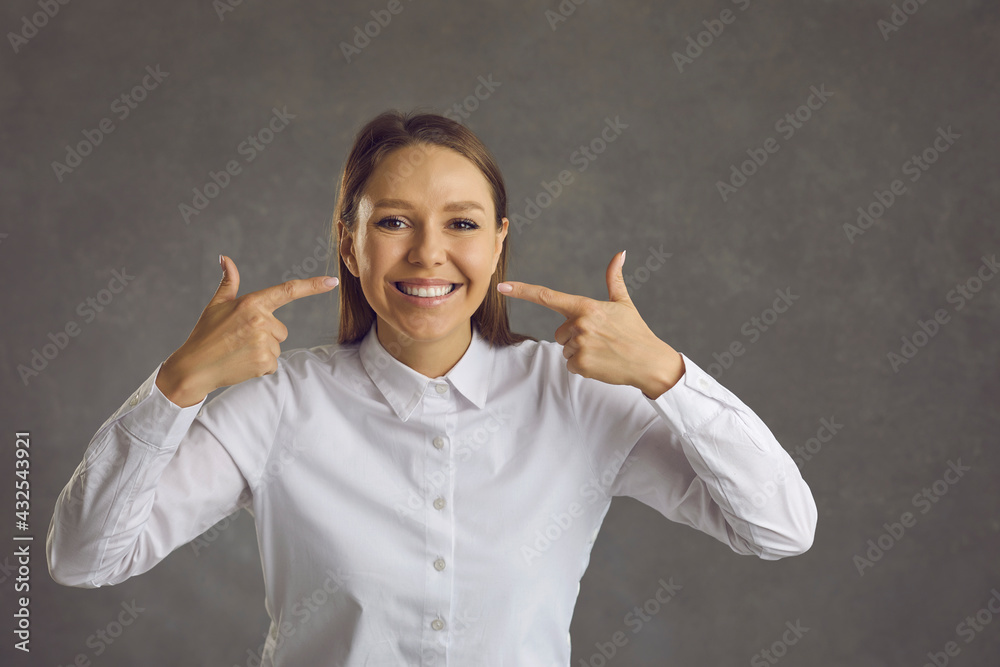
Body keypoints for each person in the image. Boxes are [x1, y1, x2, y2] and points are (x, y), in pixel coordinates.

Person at [47, 109, 817, 666]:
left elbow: (780, 526)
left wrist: (664, 372)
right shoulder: (277, 405)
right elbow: (83, 558)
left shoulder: (578, 397)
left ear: (499, 240)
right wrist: (177, 385)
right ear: (349, 244)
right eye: (393, 223)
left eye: (461, 223)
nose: (428, 255)